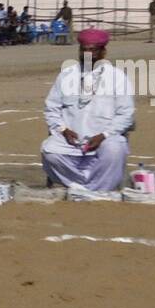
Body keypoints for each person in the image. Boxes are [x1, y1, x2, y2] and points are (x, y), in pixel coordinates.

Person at [41, 28, 134, 191]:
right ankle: (83, 187)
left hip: (104, 140)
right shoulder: (66, 75)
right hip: (72, 142)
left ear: (103, 52)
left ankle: (96, 190)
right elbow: (51, 109)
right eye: (84, 49)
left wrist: (103, 135)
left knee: (115, 148)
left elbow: (126, 114)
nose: (87, 54)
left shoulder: (117, 77)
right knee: (49, 149)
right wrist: (63, 130)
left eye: (93, 50)